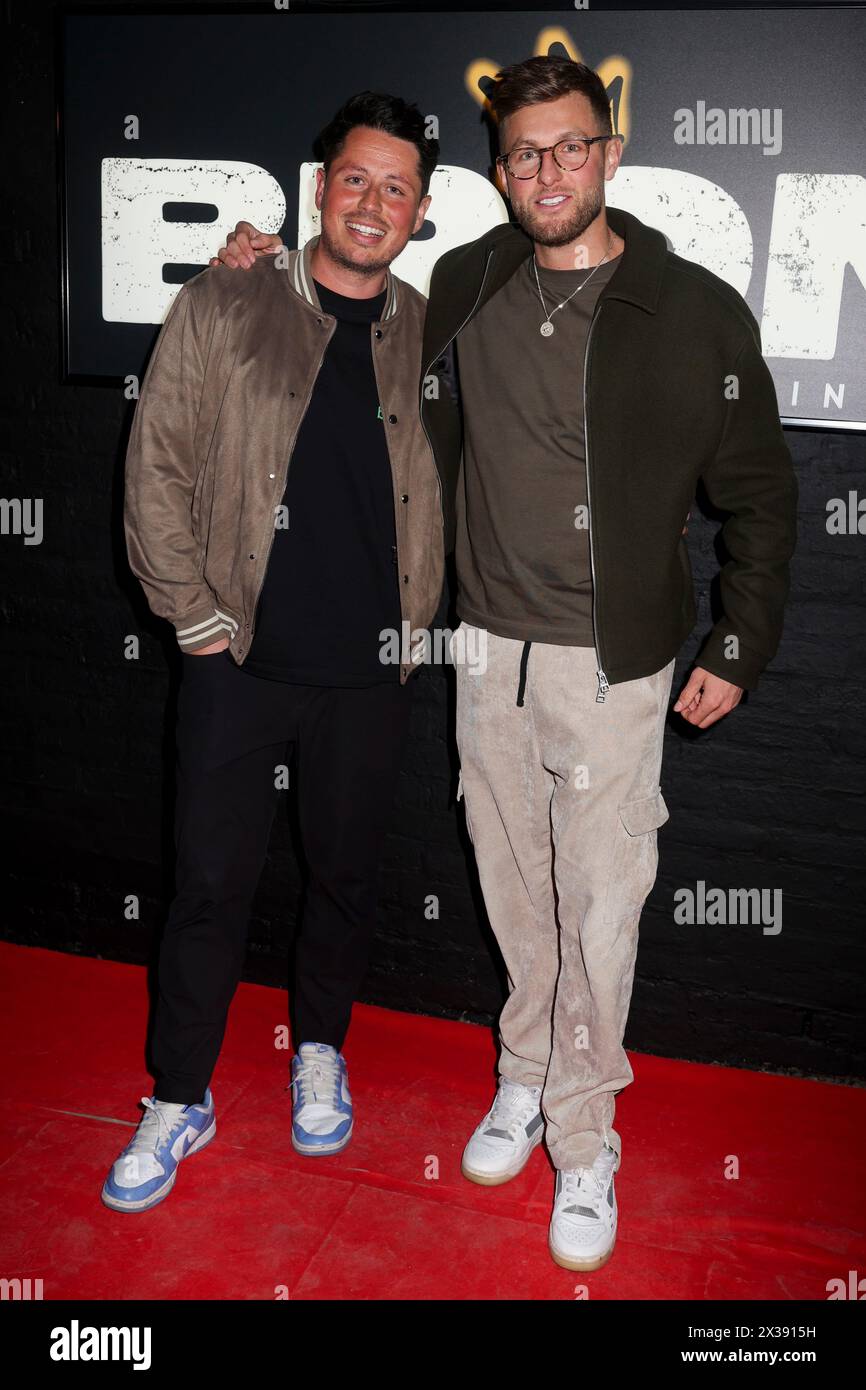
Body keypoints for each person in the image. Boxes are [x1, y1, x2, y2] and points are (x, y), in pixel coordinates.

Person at [212, 55, 797, 1273]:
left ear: (609, 154)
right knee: (515, 899)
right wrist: (253, 265)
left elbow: (759, 498)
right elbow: (347, 326)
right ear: (498, 171)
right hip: (482, 654)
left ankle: (586, 1137)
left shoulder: (689, 310)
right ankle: (523, 1076)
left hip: (612, 671)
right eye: (522, 153)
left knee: (601, 913)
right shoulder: (466, 281)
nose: (546, 171)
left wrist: (734, 641)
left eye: (569, 147)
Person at [102, 92, 444, 1214]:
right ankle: (180, 1092)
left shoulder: (434, 331)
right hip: (235, 662)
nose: (372, 202)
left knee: (343, 883)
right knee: (207, 883)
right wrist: (191, 620)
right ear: (318, 188)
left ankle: (319, 1050)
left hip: (371, 675)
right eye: (356, 178)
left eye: (396, 187)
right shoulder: (226, 297)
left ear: (420, 211)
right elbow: (154, 466)